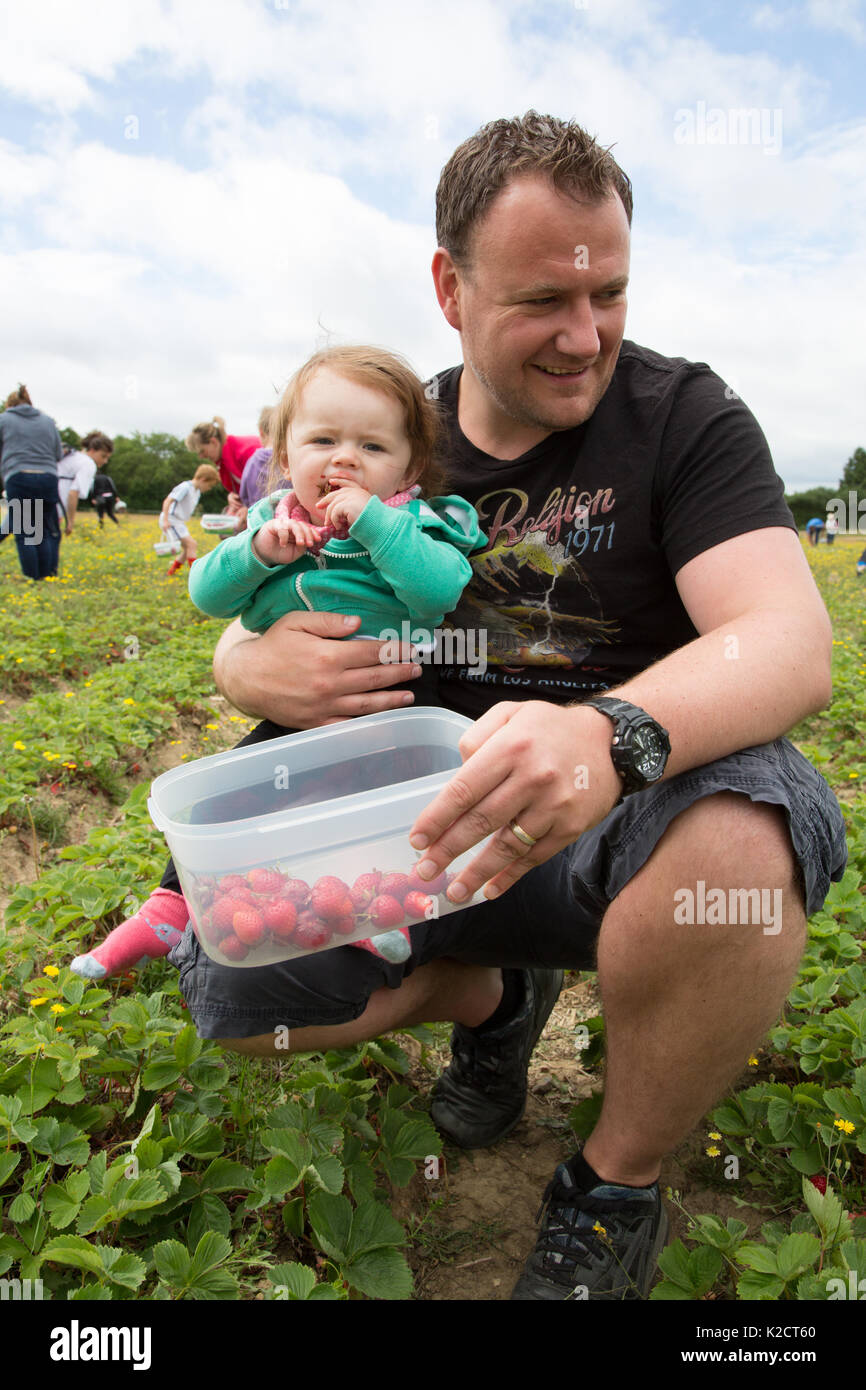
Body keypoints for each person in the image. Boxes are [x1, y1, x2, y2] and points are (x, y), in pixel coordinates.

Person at [161, 112, 847, 1303]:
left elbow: (787, 640)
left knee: (744, 838)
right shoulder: (389, 425)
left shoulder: (684, 418)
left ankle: (610, 1189)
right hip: (419, 832)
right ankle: (486, 995)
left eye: (610, 295)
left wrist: (608, 735)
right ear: (449, 286)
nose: (584, 337)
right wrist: (239, 661)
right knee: (229, 986)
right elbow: (265, 566)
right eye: (542, 301)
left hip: (623, 821)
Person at [70, 345, 483, 979]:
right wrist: (259, 551)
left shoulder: (415, 524)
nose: (344, 458)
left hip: (393, 705)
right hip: (295, 712)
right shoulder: (273, 522)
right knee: (230, 797)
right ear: (286, 457)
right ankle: (171, 906)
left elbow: (437, 593)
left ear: (409, 469)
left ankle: (374, 907)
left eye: (372, 448)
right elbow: (207, 593)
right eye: (323, 439)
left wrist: (376, 526)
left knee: (383, 810)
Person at [0, 385, 63, 579]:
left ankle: (33, 580)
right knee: (41, 531)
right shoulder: (47, 421)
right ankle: (44, 577)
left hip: (20, 477)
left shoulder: (4, 419)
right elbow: (58, 454)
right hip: (48, 479)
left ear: (9, 405)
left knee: (25, 533)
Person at [186, 416, 260, 512]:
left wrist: (248, 508)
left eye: (202, 451)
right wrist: (233, 497)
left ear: (214, 442)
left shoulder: (247, 451)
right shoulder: (223, 464)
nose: (201, 456)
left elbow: (267, 486)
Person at [159, 464, 220, 575]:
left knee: (188, 548)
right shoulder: (185, 487)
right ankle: (196, 576)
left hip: (179, 522)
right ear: (203, 479)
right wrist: (166, 520)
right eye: (209, 485)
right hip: (172, 520)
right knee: (192, 544)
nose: (208, 489)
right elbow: (167, 501)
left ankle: (171, 573)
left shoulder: (196, 491)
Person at [58, 432, 112, 535]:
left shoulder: (73, 457)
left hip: (31, 499)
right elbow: (73, 494)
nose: (105, 461)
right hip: (50, 509)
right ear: (92, 450)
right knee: (43, 546)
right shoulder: (88, 464)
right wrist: (70, 521)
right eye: (103, 456)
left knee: (28, 541)